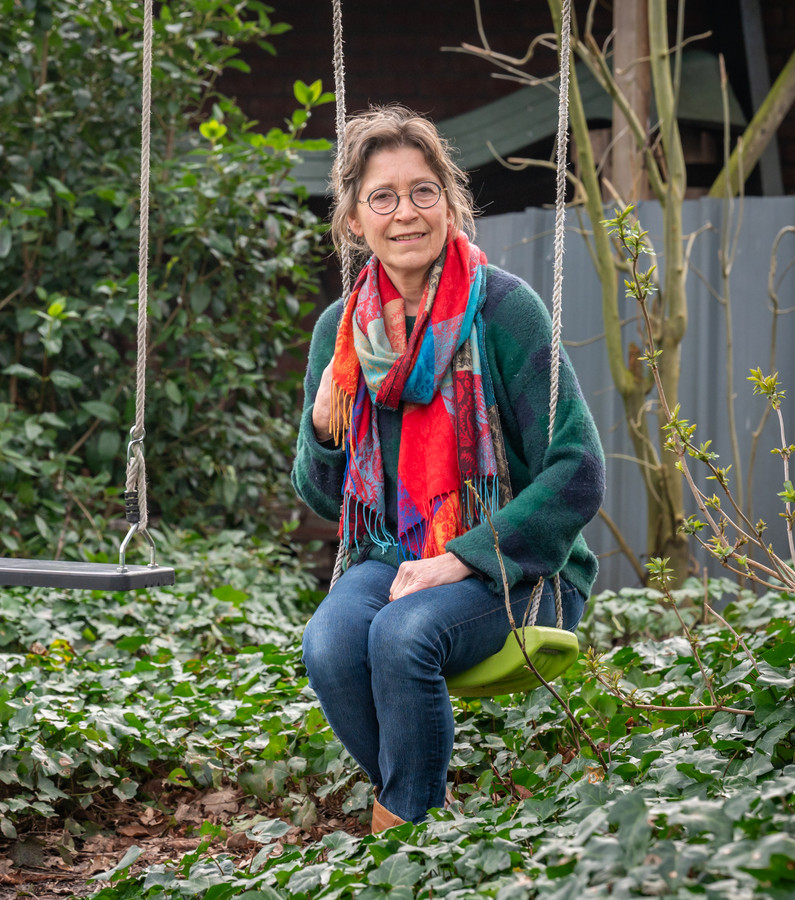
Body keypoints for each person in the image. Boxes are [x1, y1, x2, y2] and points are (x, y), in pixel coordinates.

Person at [291, 105, 604, 831]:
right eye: (383, 197)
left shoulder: (503, 311)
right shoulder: (340, 333)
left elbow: (579, 468)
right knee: (331, 644)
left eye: (423, 191)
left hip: (520, 572)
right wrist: (322, 433)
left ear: (450, 201)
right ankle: (419, 811)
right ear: (353, 220)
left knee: (403, 635)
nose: (407, 212)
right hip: (394, 555)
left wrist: (463, 558)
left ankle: (403, 837)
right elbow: (321, 496)